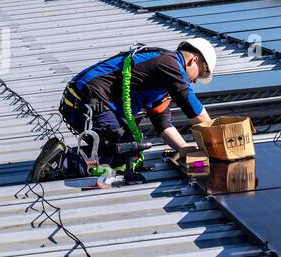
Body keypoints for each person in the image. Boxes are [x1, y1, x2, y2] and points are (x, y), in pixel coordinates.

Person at [31, 39, 217, 181]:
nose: (194, 81)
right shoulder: (170, 63)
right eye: (199, 75)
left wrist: (184, 149)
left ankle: (59, 154)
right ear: (194, 59)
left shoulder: (162, 79)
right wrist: (218, 142)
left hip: (84, 102)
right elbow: (194, 109)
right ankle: (58, 163)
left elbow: (163, 124)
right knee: (124, 153)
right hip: (90, 100)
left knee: (126, 149)